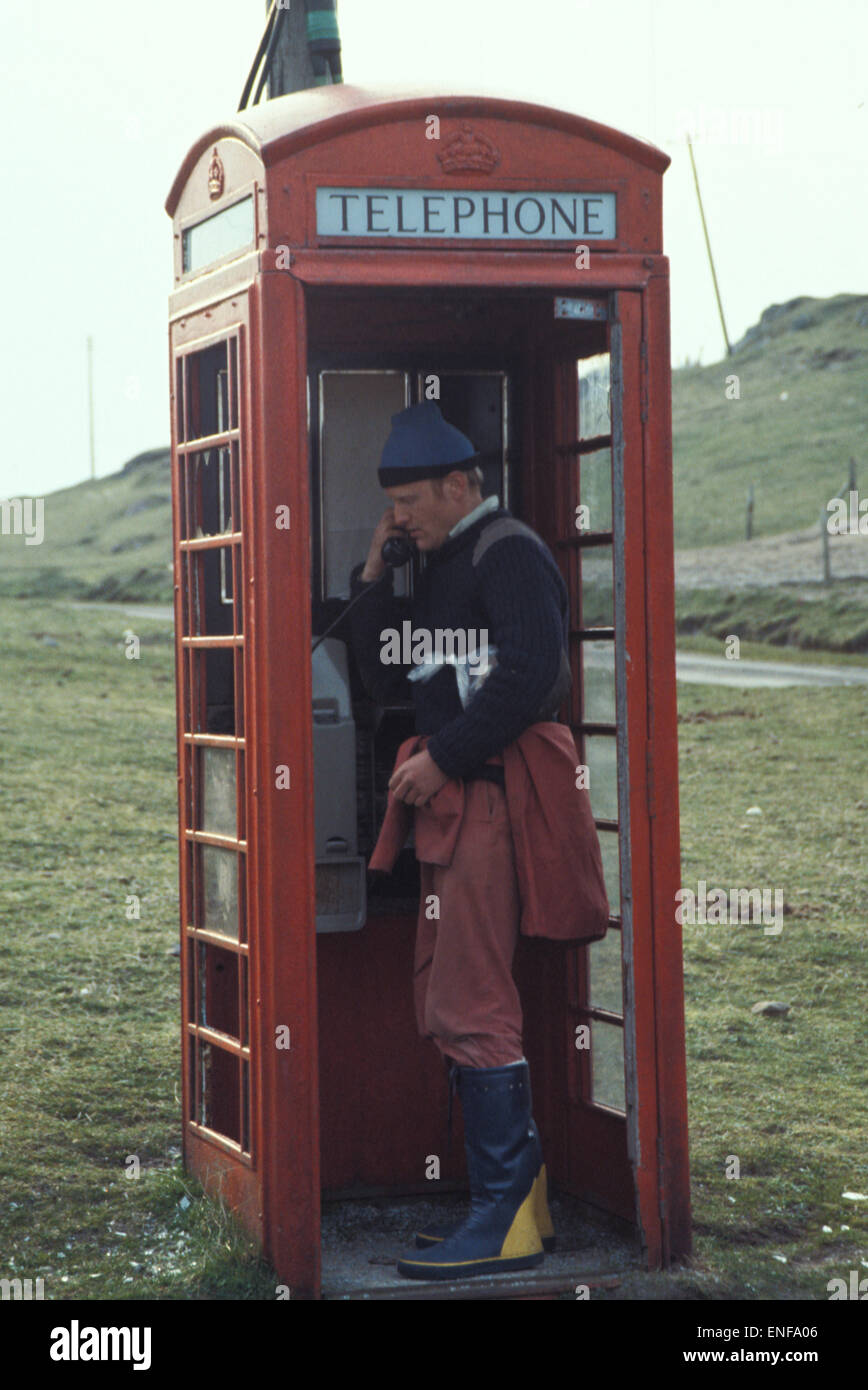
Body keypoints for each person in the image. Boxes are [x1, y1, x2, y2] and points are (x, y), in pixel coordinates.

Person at [348, 401, 606, 1281]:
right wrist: (380, 569)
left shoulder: (509, 553)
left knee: (472, 1001)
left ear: (461, 485)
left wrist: (444, 757)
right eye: (395, 505)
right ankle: (515, 1209)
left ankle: (501, 1218)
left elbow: (535, 672)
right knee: (451, 992)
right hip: (452, 803)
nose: (402, 516)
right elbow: (377, 668)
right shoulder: (438, 561)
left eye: (413, 500)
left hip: (485, 798)